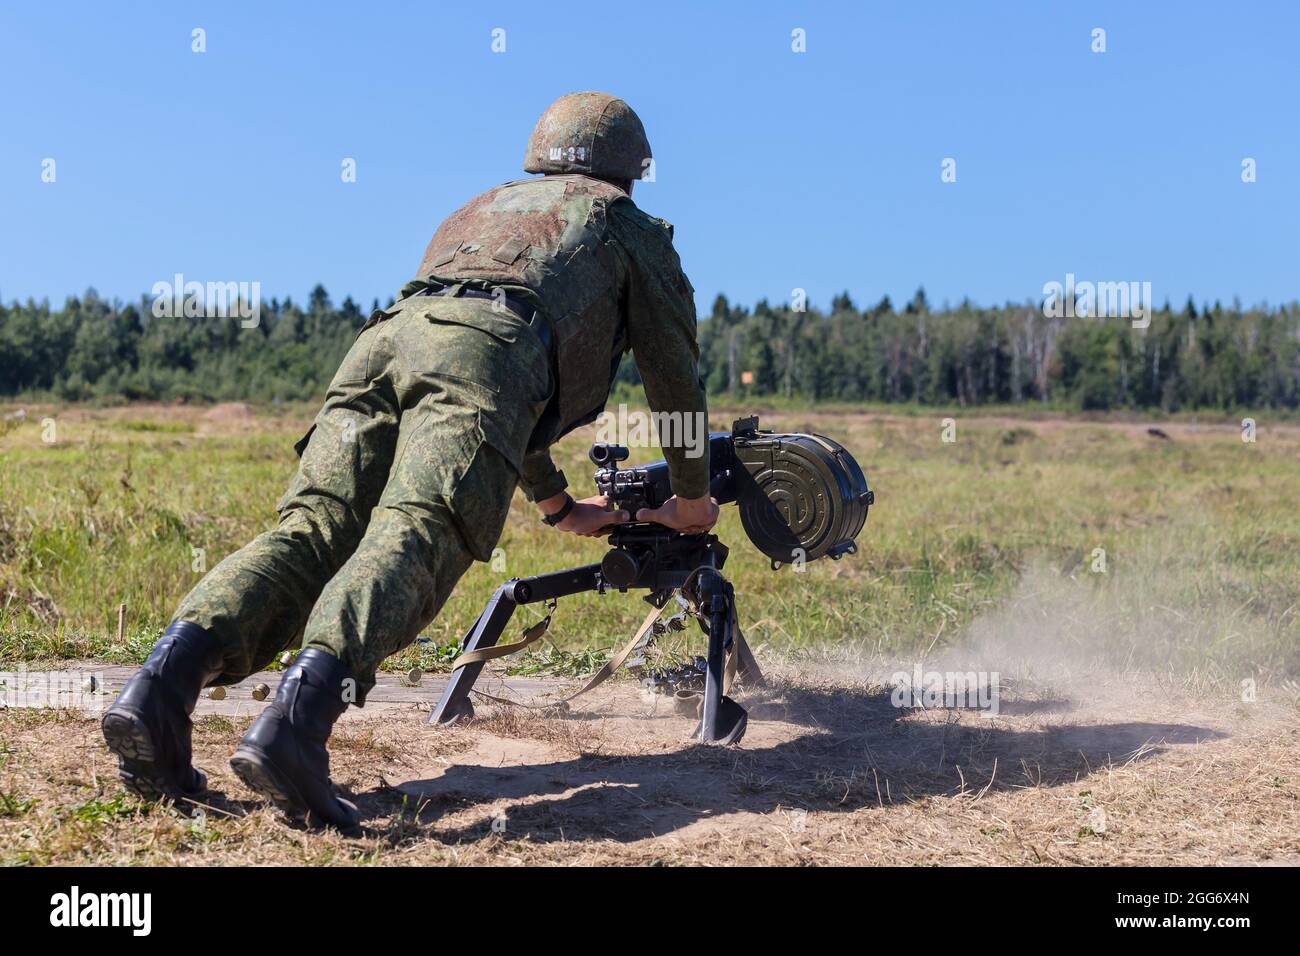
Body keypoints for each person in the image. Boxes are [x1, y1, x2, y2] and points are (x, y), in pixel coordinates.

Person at [100, 91, 719, 828]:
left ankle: (158, 694)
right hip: (478, 354)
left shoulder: (482, 211)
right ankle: (293, 732)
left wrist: (554, 503)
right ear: (631, 169)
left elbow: (499, 368)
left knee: (314, 530)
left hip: (382, 345)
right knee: (419, 531)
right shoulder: (625, 226)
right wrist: (690, 495)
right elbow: (667, 372)